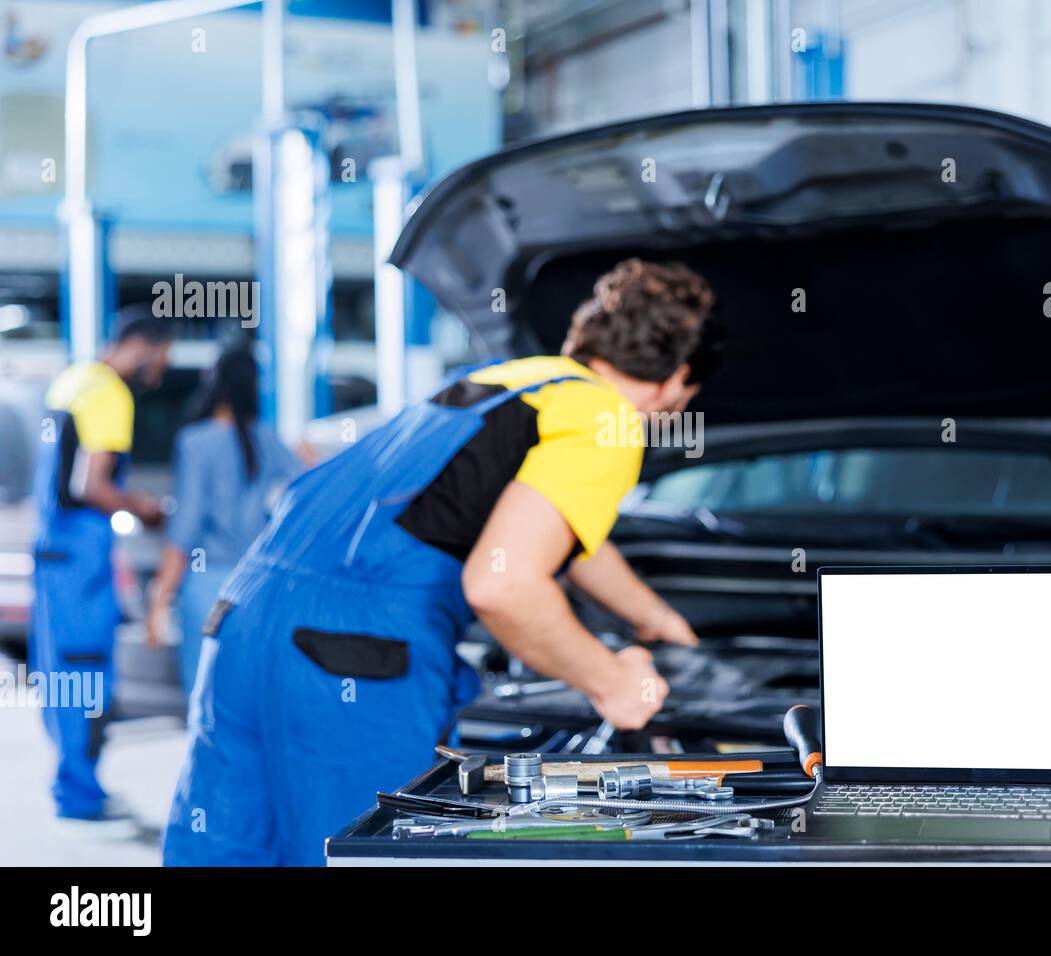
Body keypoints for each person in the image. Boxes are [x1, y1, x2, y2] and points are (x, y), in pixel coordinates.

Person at [163, 258, 722, 865]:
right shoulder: (607, 420)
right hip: (351, 648)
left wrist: (655, 620)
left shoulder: (500, 384)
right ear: (676, 380)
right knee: (364, 855)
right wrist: (613, 683)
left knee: (226, 850)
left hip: (245, 620)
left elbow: (553, 527)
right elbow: (503, 585)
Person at [30, 312, 171, 836]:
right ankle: (79, 792)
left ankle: (72, 783)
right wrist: (144, 507)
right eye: (158, 362)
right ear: (140, 347)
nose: (155, 374)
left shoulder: (73, 379)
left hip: (52, 551)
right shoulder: (111, 392)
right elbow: (92, 483)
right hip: (82, 555)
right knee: (86, 674)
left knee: (61, 673)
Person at [146, 344, 301, 701]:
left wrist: (159, 598)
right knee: (248, 703)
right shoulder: (269, 440)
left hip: (208, 588)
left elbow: (184, 529)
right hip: (258, 586)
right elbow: (303, 492)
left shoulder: (196, 442)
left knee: (206, 701)